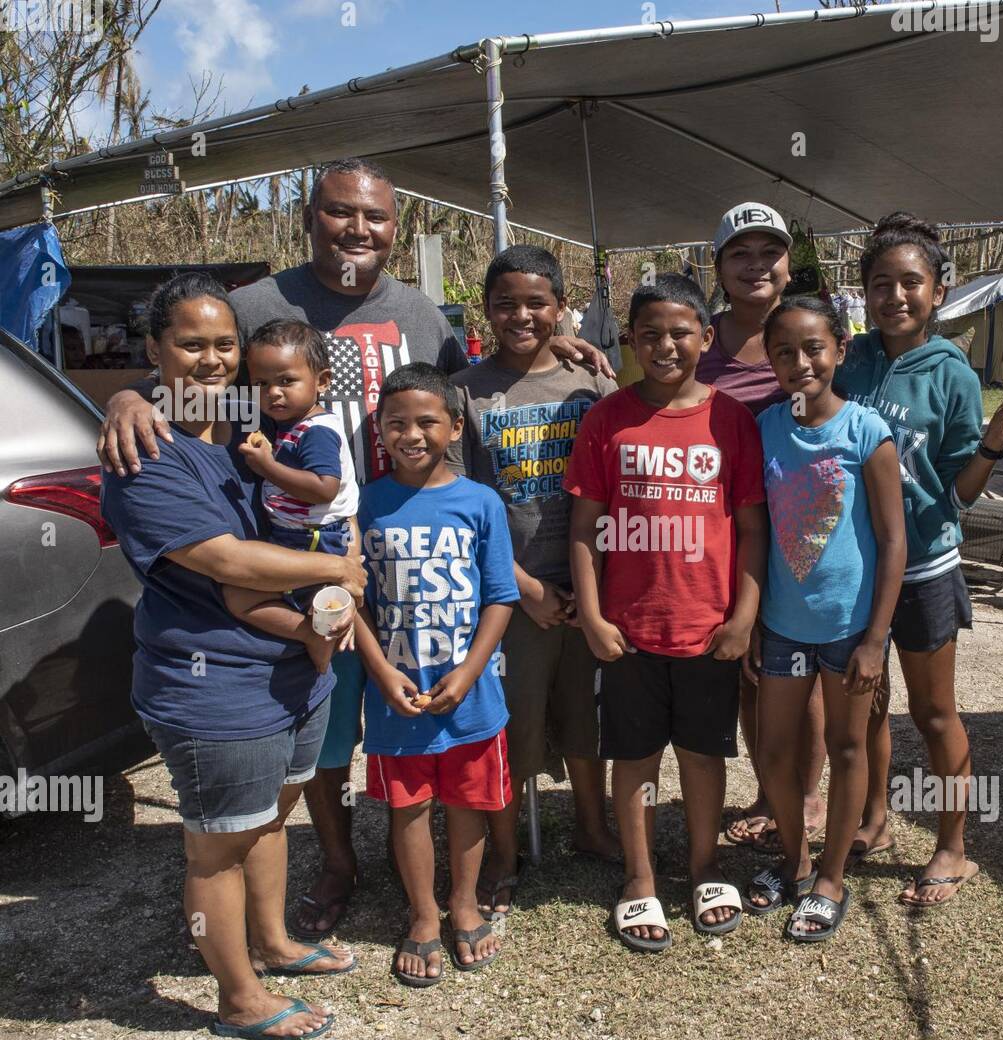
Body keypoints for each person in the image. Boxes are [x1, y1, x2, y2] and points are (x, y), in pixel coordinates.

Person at [96, 158, 614, 941]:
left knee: (434, 707)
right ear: (311, 216)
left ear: (395, 228)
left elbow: (463, 393)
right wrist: (128, 395)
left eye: (375, 218)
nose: (357, 231)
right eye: (341, 213)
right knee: (328, 727)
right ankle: (339, 863)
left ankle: (448, 862)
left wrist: (555, 340)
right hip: (305, 559)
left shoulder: (418, 313)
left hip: (415, 553)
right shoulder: (256, 303)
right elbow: (190, 373)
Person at [99, 273, 366, 1040]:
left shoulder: (245, 415)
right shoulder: (145, 450)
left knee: (270, 819)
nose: (212, 360)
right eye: (191, 344)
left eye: (224, 344)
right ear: (155, 349)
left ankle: (276, 941)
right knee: (216, 845)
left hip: (296, 669)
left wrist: (127, 392)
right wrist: (337, 571)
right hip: (214, 681)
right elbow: (227, 560)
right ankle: (239, 996)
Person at [834, 212, 1003, 907]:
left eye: (911, 282)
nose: (895, 295)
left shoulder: (951, 369)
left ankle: (953, 846)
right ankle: (874, 821)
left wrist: (994, 442)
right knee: (864, 708)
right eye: (881, 283)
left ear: (940, 289)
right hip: (858, 567)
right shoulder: (850, 358)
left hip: (922, 568)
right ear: (863, 293)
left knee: (932, 712)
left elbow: (957, 491)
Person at [565, 274, 767, 952]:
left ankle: (706, 865)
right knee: (636, 756)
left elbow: (752, 529)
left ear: (706, 337)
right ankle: (640, 874)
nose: (665, 344)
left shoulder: (730, 420)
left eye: (681, 331)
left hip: (709, 628)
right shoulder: (607, 419)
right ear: (630, 340)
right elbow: (583, 527)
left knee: (704, 753)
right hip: (630, 632)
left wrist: (744, 615)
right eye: (649, 333)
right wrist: (592, 616)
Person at [447, 245, 619, 919]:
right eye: (505, 303)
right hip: (508, 592)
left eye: (536, 303)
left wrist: (595, 584)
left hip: (589, 586)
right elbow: (457, 499)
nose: (521, 315)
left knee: (585, 715)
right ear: (485, 310)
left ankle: (592, 822)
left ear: (560, 306)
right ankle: (504, 845)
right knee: (512, 725)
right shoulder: (465, 389)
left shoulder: (591, 384)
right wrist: (521, 585)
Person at [744, 297, 906, 941]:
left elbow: (894, 541)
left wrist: (876, 639)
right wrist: (753, 617)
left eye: (813, 348)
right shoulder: (762, 430)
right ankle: (794, 858)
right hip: (783, 625)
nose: (800, 362)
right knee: (777, 751)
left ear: (840, 348)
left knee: (847, 746)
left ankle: (832, 877)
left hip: (850, 633)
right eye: (784, 351)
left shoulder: (868, 433)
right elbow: (752, 530)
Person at [350, 364, 519, 982]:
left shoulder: (481, 502)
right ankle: (423, 915)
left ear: (453, 426)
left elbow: (501, 595)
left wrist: (472, 672)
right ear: (379, 430)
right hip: (398, 698)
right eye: (397, 423)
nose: (412, 434)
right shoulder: (363, 504)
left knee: (468, 804)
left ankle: (464, 902)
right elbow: (354, 602)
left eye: (427, 422)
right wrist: (380, 671)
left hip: (470, 696)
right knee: (410, 807)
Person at [701, 202, 830, 856]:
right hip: (718, 537)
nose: (756, 266)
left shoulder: (807, 332)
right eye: (740, 254)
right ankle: (764, 789)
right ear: (718, 267)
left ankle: (807, 796)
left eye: (769, 252)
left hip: (798, 538)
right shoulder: (696, 340)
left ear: (788, 264)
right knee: (749, 671)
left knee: (796, 672)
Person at [222, 319, 360, 661]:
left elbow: (323, 488)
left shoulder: (317, 431)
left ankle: (319, 645)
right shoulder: (292, 425)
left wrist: (267, 466)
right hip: (297, 537)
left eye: (286, 381)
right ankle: (310, 636)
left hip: (315, 539)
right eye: (262, 383)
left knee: (315, 605)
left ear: (322, 381)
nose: (273, 392)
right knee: (240, 596)